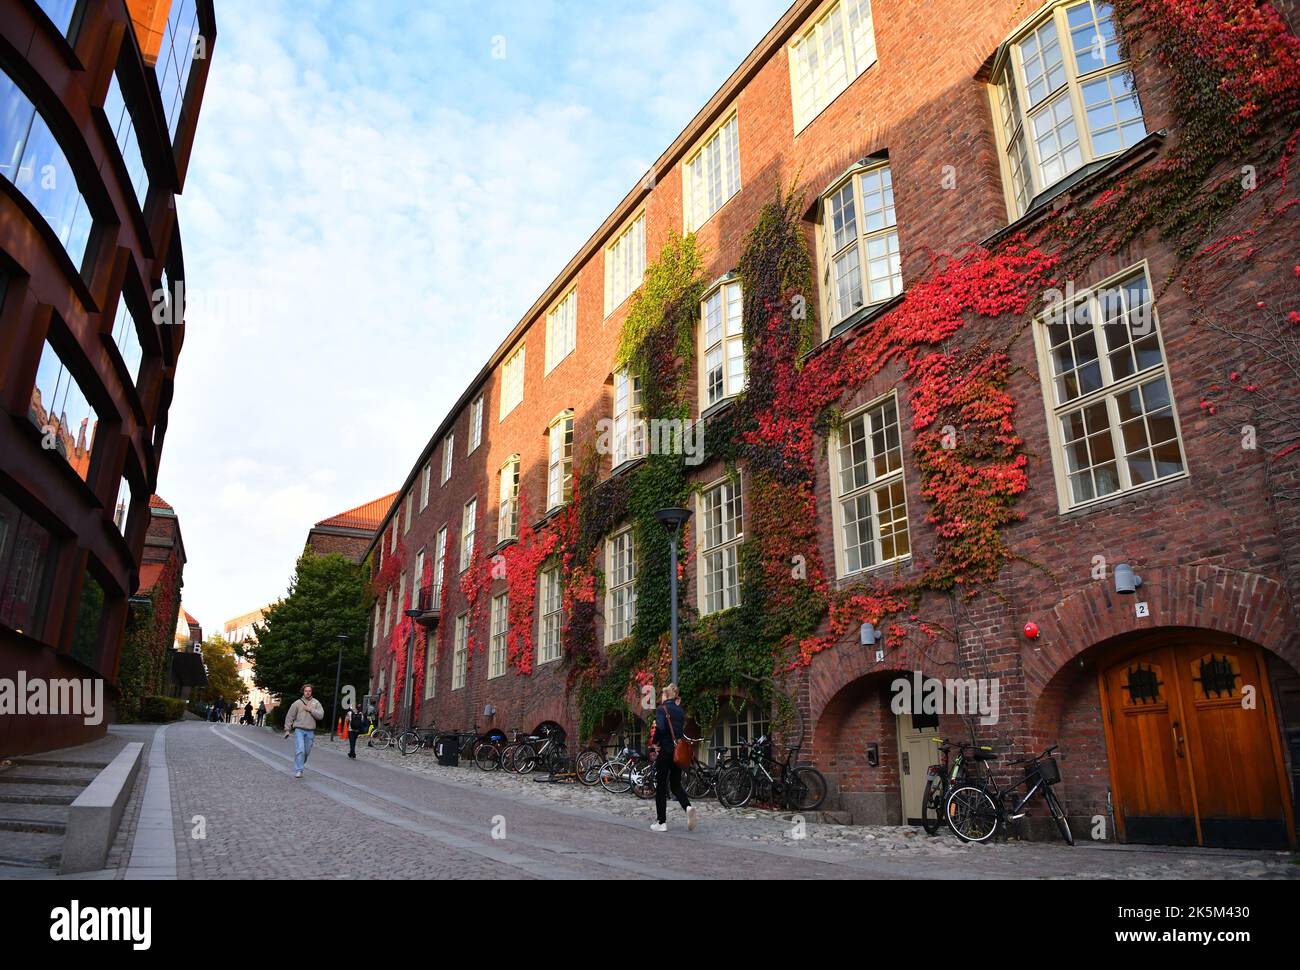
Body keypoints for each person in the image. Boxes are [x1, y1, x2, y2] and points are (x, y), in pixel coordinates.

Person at [649, 683, 696, 832]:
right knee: (675, 784)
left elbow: (661, 728)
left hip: (665, 751)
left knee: (661, 786)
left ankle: (661, 822)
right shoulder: (680, 711)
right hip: (677, 752)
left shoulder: (662, 709)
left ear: (666, 695)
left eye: (662, 695)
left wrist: (655, 741)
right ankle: (687, 807)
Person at [282, 684, 325, 778]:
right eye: (306, 691)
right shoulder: (297, 703)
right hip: (299, 730)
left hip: (310, 731)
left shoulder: (316, 703)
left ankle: (300, 762)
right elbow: (290, 716)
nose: (308, 692)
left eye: (309, 691)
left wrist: (311, 710)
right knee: (300, 750)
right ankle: (299, 769)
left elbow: (321, 715)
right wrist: (287, 729)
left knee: (306, 752)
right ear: (303, 691)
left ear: (311, 692)